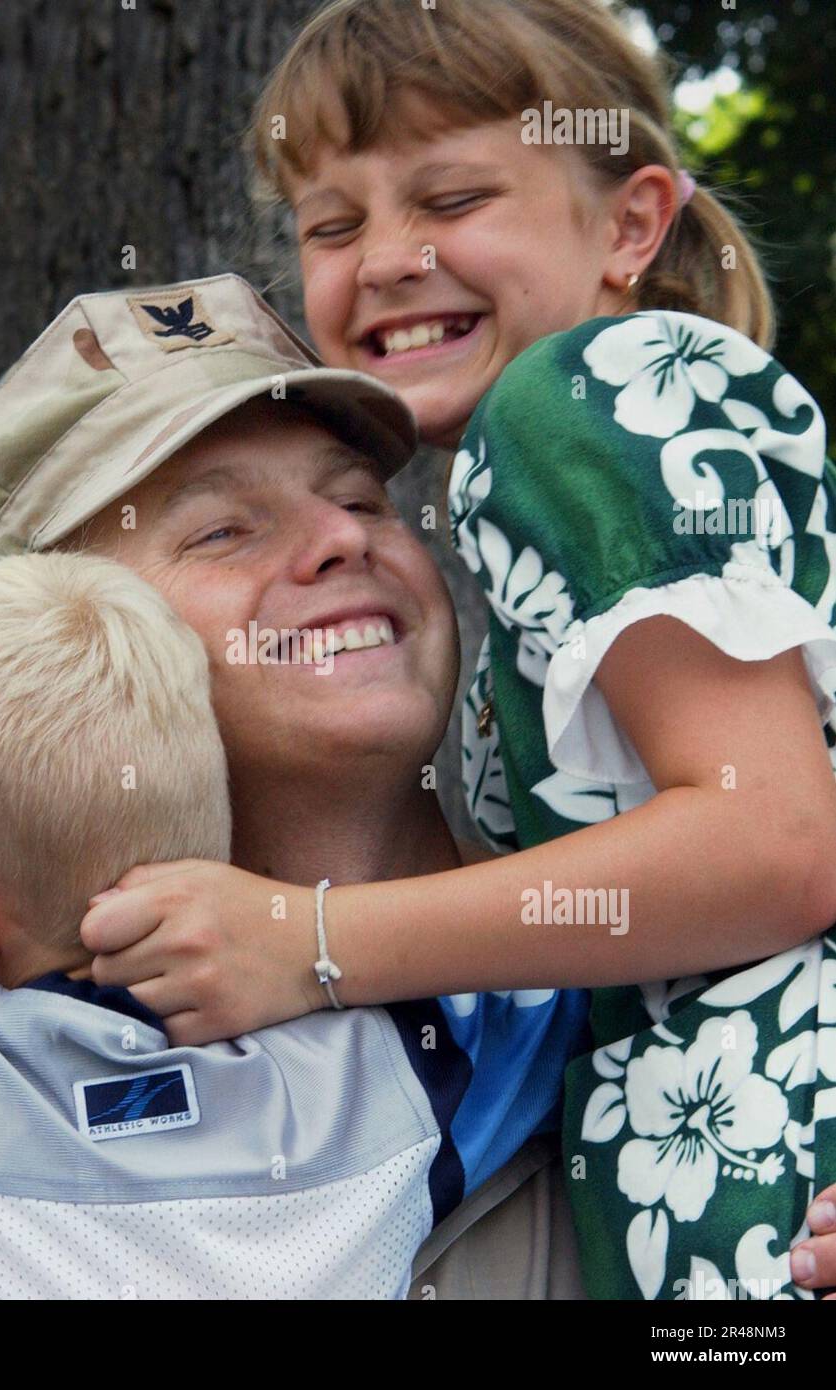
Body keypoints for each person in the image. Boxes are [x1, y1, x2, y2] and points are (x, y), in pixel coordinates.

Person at [65, 0, 836, 1299]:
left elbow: (776, 843)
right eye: (331, 224)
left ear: (633, 223)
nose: (385, 260)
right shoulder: (533, 532)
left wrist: (306, 939)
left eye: (453, 195)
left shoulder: (578, 397)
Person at [0, 279, 581, 1299]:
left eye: (359, 499)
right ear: (45, 650)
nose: (347, 537)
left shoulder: (673, 983)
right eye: (223, 530)